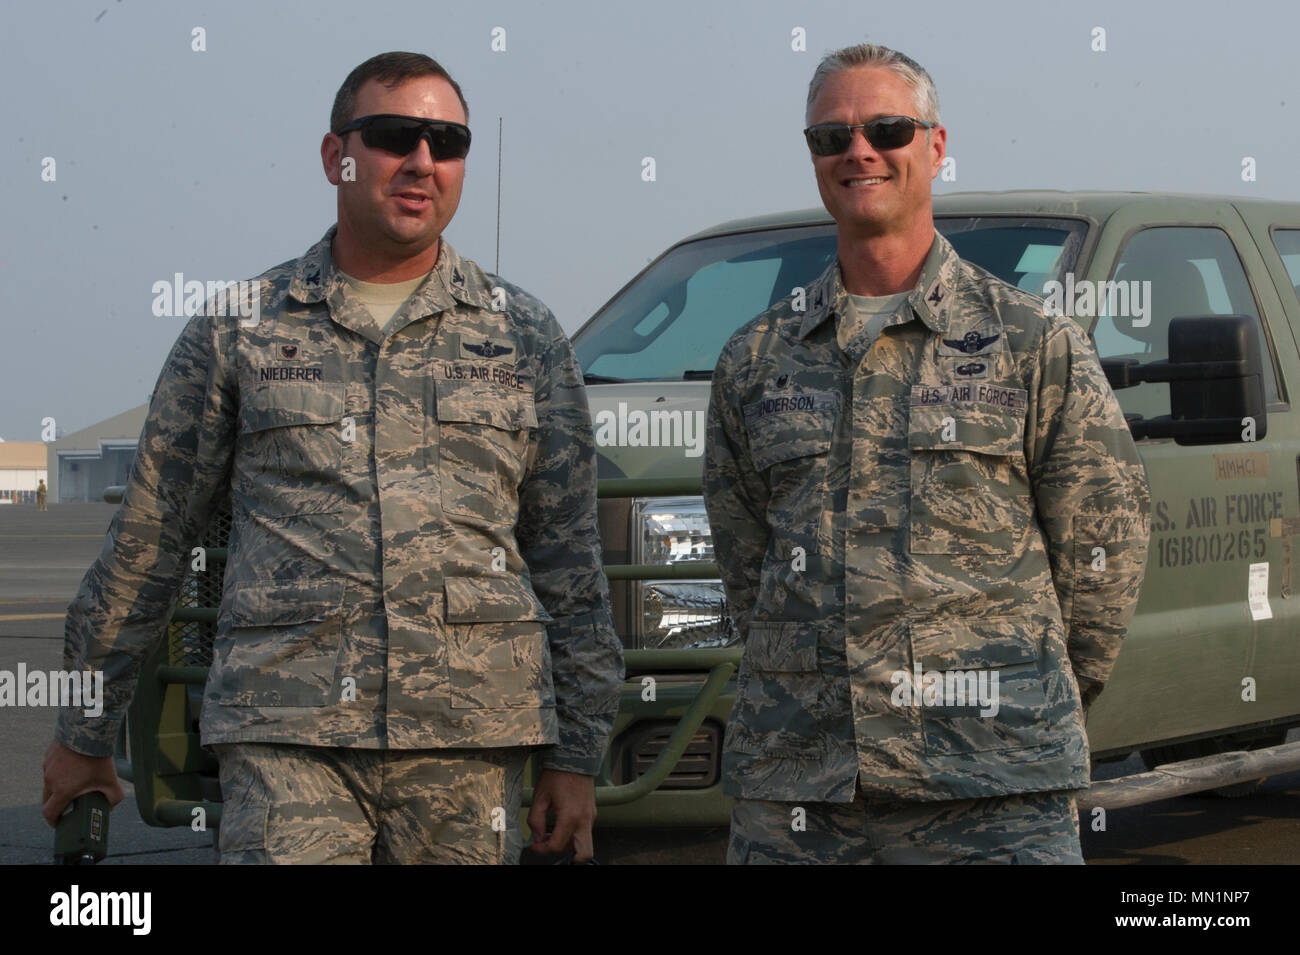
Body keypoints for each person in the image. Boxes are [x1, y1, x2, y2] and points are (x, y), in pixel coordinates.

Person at [42, 51, 623, 864]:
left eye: (447, 141)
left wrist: (577, 753)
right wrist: (84, 726)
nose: (423, 160)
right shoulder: (238, 329)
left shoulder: (522, 336)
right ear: (335, 157)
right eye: (394, 135)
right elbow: (150, 539)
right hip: (289, 737)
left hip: (467, 742)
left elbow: (568, 558)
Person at [704, 43, 1150, 864]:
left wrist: (1030, 696)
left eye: (887, 128)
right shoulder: (755, 359)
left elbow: (1103, 549)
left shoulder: (1030, 343)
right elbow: (749, 560)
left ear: (935, 146)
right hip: (804, 789)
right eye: (831, 137)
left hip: (990, 787)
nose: (859, 151)